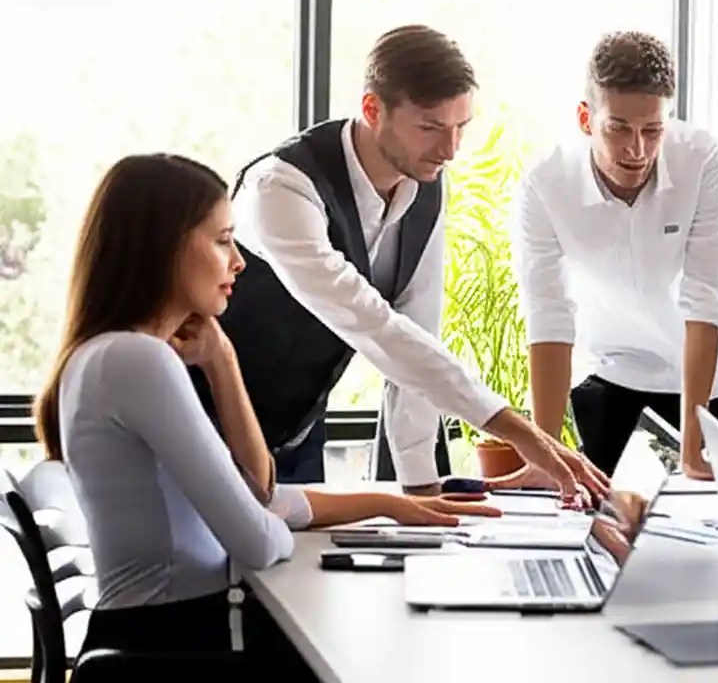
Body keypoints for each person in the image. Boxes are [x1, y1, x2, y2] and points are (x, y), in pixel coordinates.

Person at [33, 154, 503, 674]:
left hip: (170, 632)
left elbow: (255, 495)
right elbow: (255, 537)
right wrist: (263, 518)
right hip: (174, 648)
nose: (239, 262)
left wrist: (222, 360)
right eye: (222, 240)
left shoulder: (110, 355)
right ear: (164, 247)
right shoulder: (136, 361)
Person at [192, 23, 606, 502]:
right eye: (430, 128)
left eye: (460, 128)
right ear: (372, 109)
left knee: (293, 573)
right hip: (201, 428)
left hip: (298, 437)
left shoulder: (427, 182)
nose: (450, 150)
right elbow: (373, 325)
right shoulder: (281, 188)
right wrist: (520, 431)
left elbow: (418, 327)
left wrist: (420, 485)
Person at [506, 31, 718, 481]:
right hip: (613, 372)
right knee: (601, 526)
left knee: (708, 534)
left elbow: (705, 296)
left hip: (713, 379)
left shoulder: (703, 161)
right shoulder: (546, 184)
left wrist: (692, 449)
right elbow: (549, 315)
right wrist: (544, 456)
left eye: (652, 130)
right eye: (618, 128)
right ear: (586, 118)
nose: (637, 149)